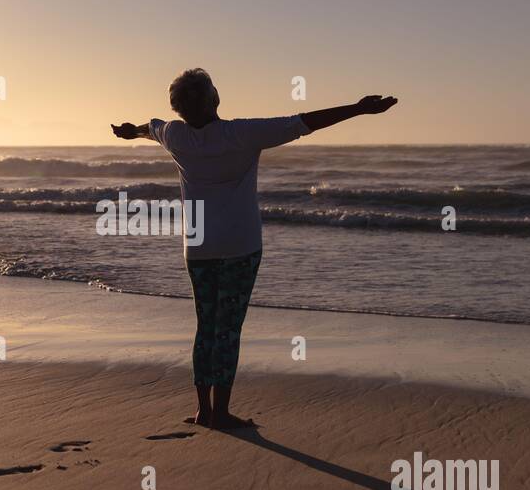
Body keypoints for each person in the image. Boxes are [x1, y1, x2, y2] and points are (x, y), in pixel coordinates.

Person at [112, 67, 397, 429]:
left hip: (197, 246)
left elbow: (147, 129)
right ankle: (221, 412)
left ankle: (203, 410)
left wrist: (128, 132)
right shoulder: (241, 133)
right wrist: (357, 109)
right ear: (214, 98)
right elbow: (303, 122)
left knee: (206, 327)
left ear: (179, 108)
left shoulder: (175, 135)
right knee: (228, 329)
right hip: (240, 245)